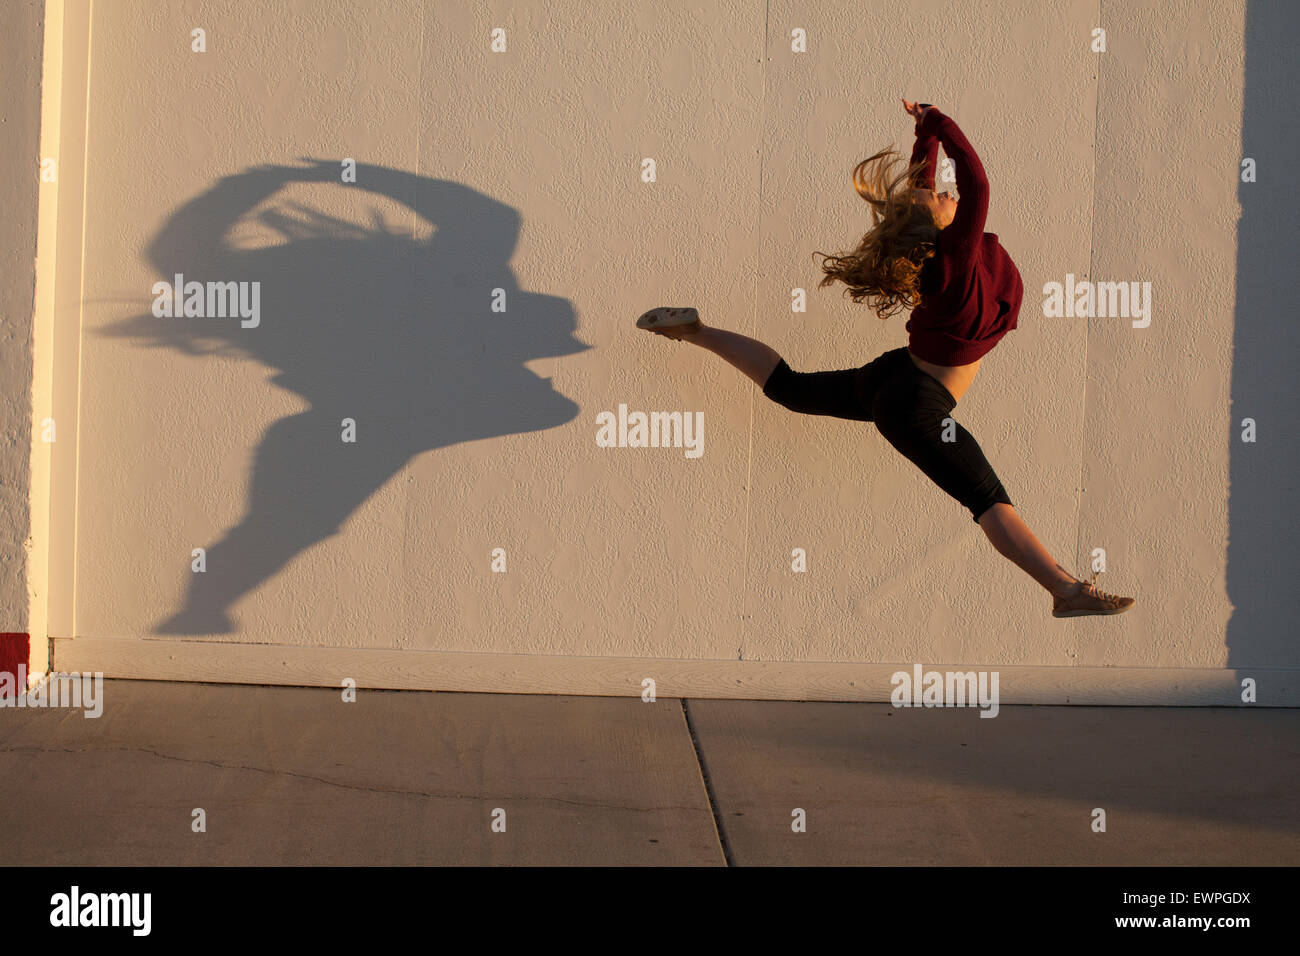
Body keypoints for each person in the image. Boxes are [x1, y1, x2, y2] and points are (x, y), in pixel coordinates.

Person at [636, 99, 1134, 618]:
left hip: (898, 377)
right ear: (937, 226)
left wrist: (925, 135)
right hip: (916, 403)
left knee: (791, 388)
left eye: (941, 191)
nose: (948, 191)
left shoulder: (944, 257)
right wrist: (941, 121)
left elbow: (934, 186)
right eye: (940, 196)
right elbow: (979, 184)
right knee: (986, 498)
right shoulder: (954, 261)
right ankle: (1064, 591)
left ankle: (696, 332)